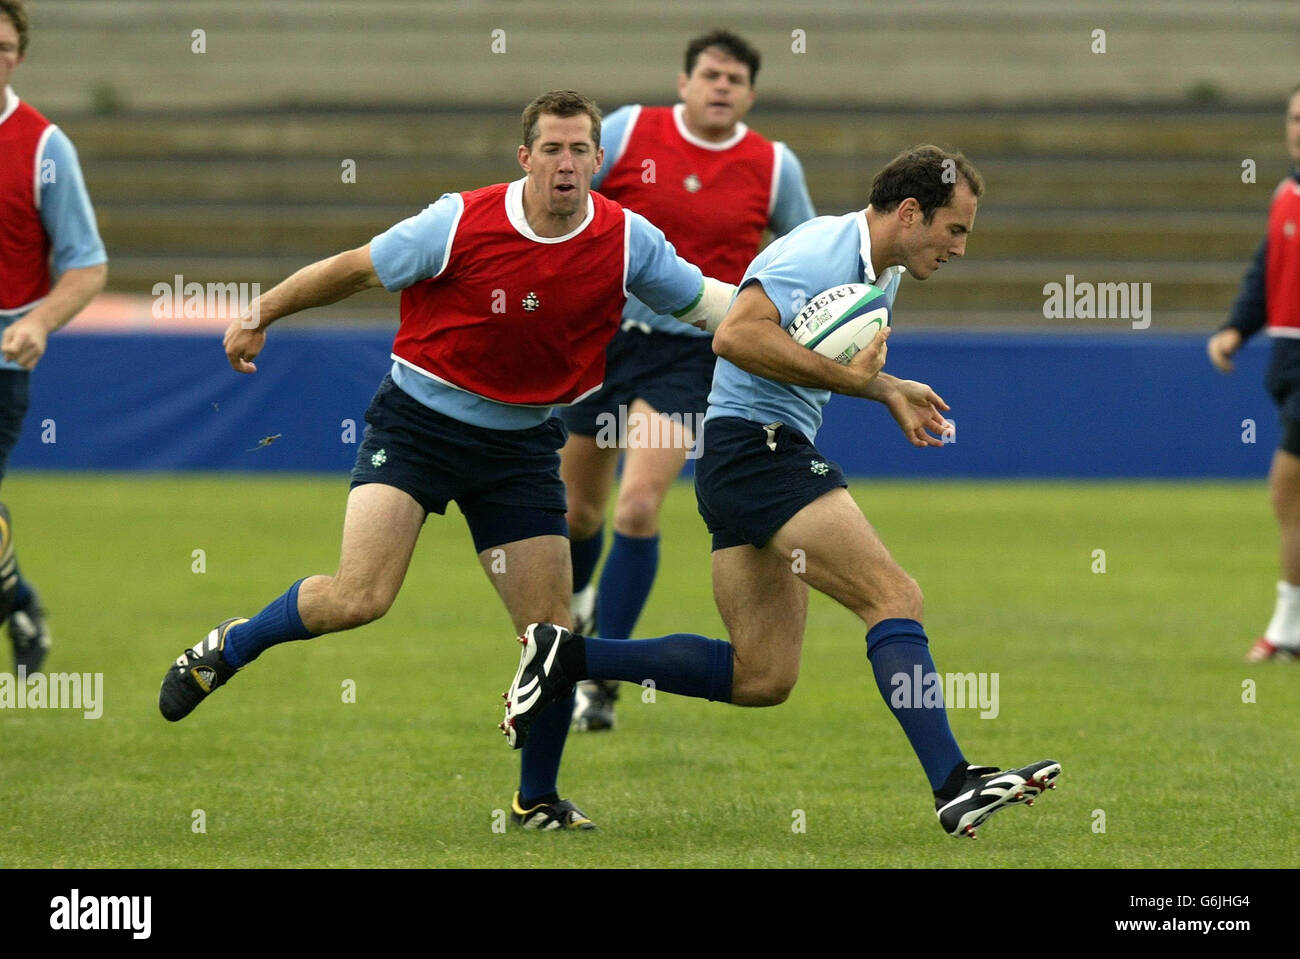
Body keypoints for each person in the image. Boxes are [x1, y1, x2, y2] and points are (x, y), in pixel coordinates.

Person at [157, 90, 736, 832]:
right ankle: (229, 646)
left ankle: (537, 802)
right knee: (359, 596)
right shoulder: (458, 220)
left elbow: (715, 305)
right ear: (524, 157)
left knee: (552, 635)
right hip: (419, 425)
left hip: (521, 446)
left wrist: (799, 326)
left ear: (600, 158)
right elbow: (356, 268)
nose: (566, 163)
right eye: (552, 149)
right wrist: (261, 310)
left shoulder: (629, 240)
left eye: (579, 150)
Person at [502, 146, 1061, 838]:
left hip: (746, 457)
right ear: (912, 212)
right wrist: (862, 383)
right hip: (758, 449)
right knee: (894, 596)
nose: (960, 247)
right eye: (956, 229)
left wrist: (885, 387)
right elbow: (735, 335)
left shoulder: (879, 272)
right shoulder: (822, 250)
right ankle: (954, 781)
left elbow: (824, 360)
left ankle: (569, 656)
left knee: (762, 675)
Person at [558, 29, 815, 732]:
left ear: (751, 94)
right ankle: (577, 610)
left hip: (694, 356)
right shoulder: (628, 129)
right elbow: (563, 204)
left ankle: (599, 674)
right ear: (684, 81)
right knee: (578, 514)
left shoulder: (772, 164)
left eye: (735, 78)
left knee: (637, 506)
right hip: (601, 341)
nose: (721, 86)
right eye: (711, 74)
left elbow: (804, 256)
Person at [0, 0, 108, 673]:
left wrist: (39, 320)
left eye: (5, 45)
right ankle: (17, 597)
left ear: (19, 54)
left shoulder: (44, 147)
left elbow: (88, 263)